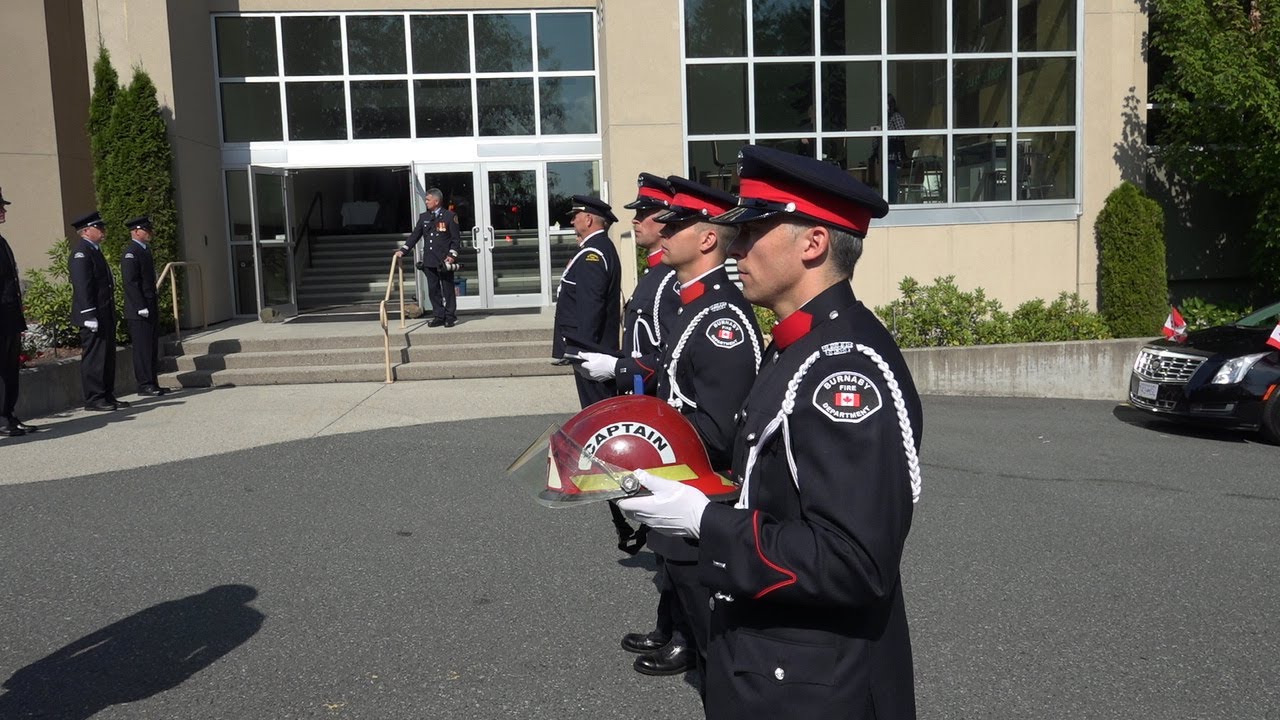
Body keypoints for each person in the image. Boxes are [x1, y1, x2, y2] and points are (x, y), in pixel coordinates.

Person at [618, 145, 923, 719]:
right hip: (777, 664)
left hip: (816, 684)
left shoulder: (842, 368)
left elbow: (853, 560)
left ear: (814, 244)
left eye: (755, 229)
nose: (735, 245)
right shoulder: (795, 346)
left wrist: (706, 522)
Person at [586, 177, 764, 681]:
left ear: (707, 238)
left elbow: (722, 428)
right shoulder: (694, 303)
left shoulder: (719, 318)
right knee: (687, 599)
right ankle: (680, 635)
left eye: (678, 223)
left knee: (717, 659)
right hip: (679, 483)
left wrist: (645, 451)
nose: (662, 229)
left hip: (703, 490)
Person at [552, 195, 621, 409]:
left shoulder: (593, 254)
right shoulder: (597, 249)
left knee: (596, 410)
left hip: (591, 350)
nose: (572, 221)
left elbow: (592, 306)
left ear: (589, 220)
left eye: (576, 216)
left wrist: (582, 350)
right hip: (591, 348)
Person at [70, 210, 128, 412]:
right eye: (99, 227)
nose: (103, 231)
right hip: (92, 315)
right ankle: (94, 398)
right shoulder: (81, 253)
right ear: (86, 231)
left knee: (107, 357)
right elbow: (82, 285)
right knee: (95, 358)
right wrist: (88, 315)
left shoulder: (94, 250)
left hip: (103, 313)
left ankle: (107, 394)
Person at [396, 187, 460, 328]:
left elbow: (455, 240)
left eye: (428, 199)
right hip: (430, 259)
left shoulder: (450, 216)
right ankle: (439, 315)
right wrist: (403, 250)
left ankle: (450, 316)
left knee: (447, 289)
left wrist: (451, 255)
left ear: (436, 201)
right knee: (433, 289)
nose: (426, 202)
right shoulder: (424, 217)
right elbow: (415, 236)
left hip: (444, 259)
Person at [1, 186, 37, 437]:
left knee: (9, 370)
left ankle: (8, 416)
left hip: (9, 319)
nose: (4, 211)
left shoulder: (1, 241)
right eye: (0, 207)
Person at [121, 216, 166, 396]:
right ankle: (144, 384)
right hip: (138, 310)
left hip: (149, 305)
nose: (150, 233)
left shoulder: (145, 250)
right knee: (142, 348)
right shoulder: (131, 252)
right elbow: (130, 282)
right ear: (136, 231)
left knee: (151, 347)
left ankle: (152, 382)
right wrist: (140, 305)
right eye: (146, 230)